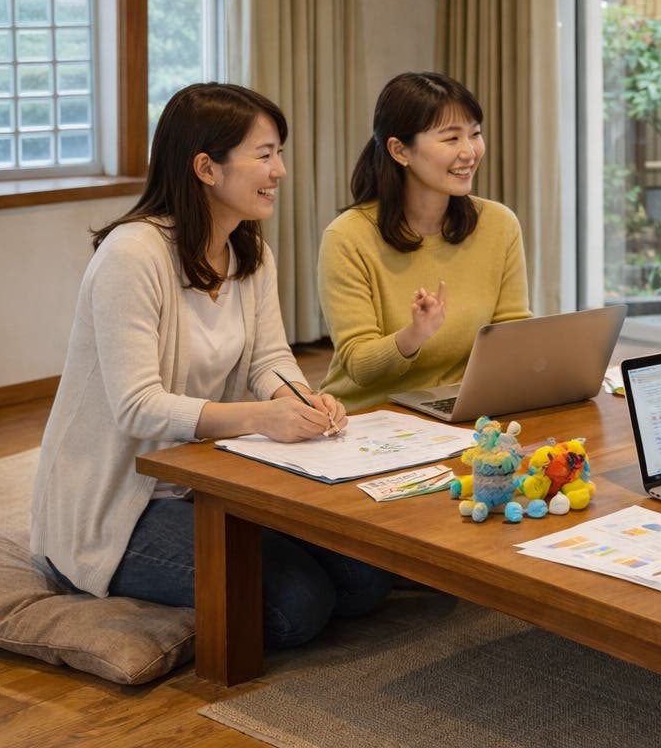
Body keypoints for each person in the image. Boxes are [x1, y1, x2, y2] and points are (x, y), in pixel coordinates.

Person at [30, 83, 393, 649]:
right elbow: (136, 406)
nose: (280, 171)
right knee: (298, 606)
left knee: (366, 578)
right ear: (206, 167)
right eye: (265, 154)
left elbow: (271, 358)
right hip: (116, 505)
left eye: (279, 153)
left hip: (205, 483)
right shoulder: (132, 255)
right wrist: (260, 418)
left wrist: (298, 399)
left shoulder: (251, 253)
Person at [319, 72, 530, 410]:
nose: (469, 152)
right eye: (450, 138)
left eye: (475, 134)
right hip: (369, 417)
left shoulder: (498, 224)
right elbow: (359, 365)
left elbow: (512, 330)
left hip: (461, 411)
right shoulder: (348, 237)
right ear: (400, 150)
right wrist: (414, 335)